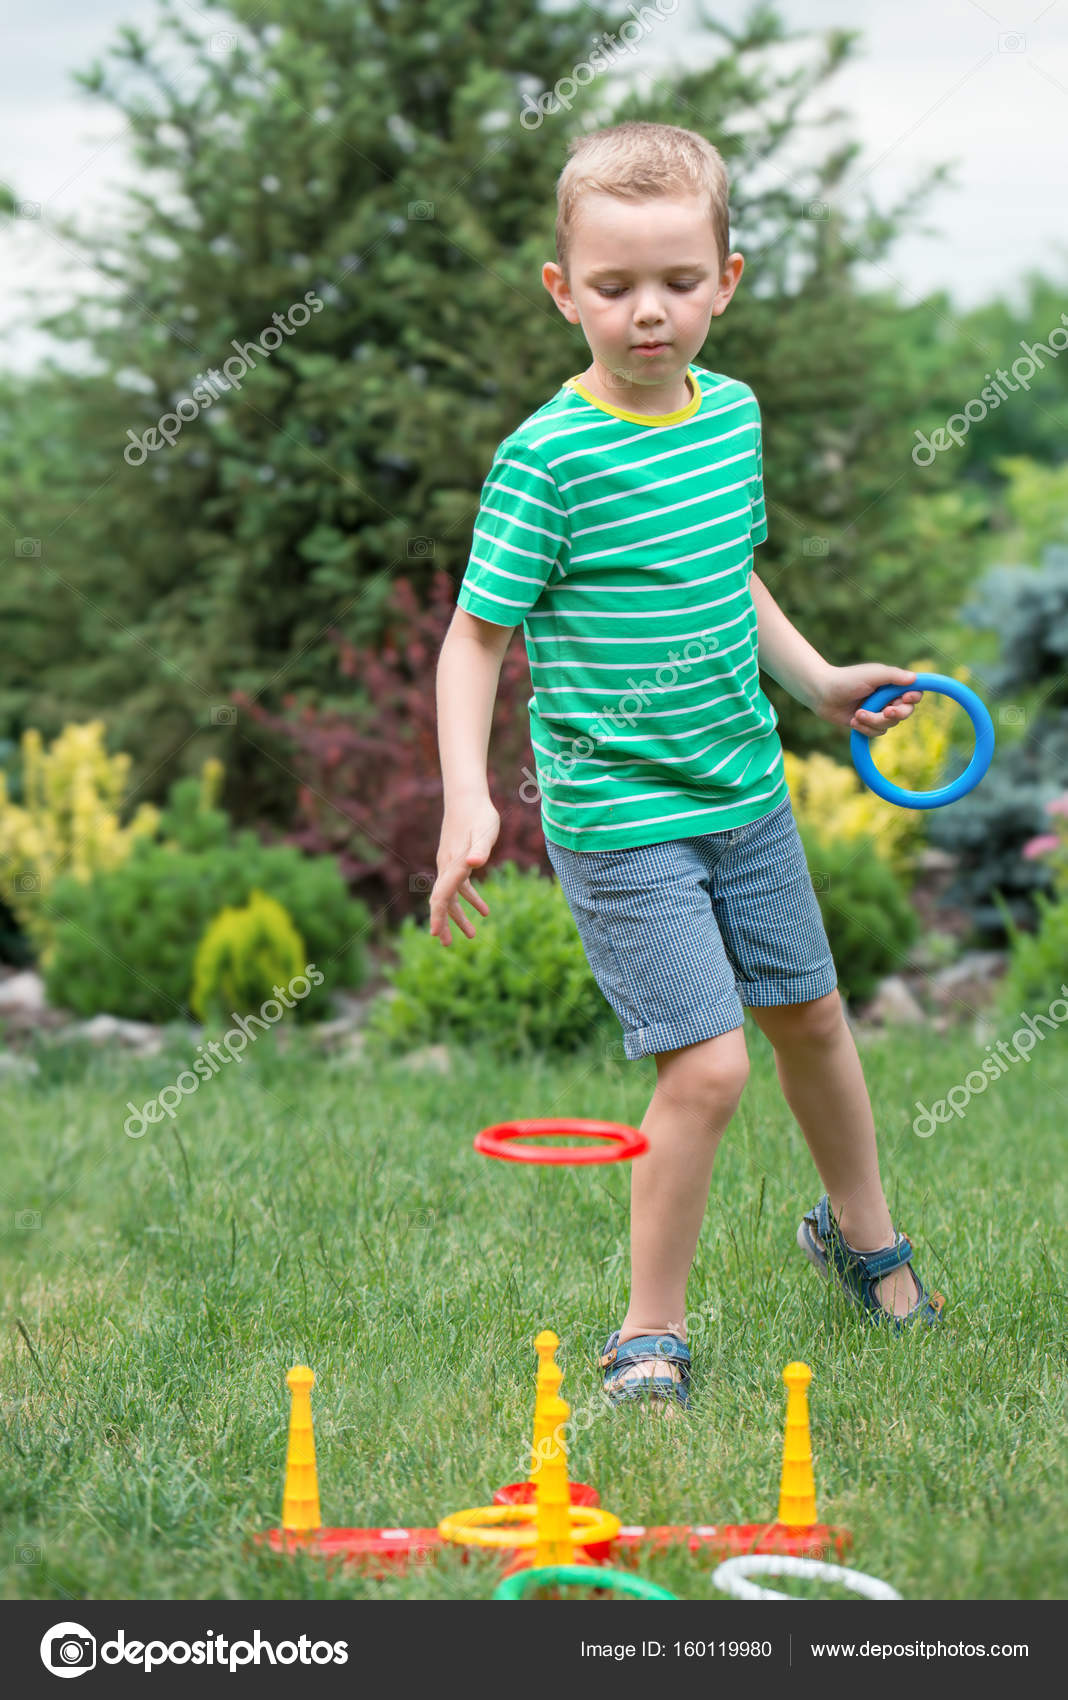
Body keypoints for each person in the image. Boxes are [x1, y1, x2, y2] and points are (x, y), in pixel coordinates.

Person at [431, 121, 943, 1412]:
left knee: (814, 1022)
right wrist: (468, 798)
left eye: (675, 281)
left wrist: (819, 681)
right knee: (707, 1065)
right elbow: (474, 638)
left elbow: (732, 580)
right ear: (564, 293)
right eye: (613, 287)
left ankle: (863, 1240)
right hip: (620, 815)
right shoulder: (550, 457)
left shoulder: (733, 418)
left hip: (744, 791)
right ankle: (646, 1334)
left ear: (728, 277)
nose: (647, 313)